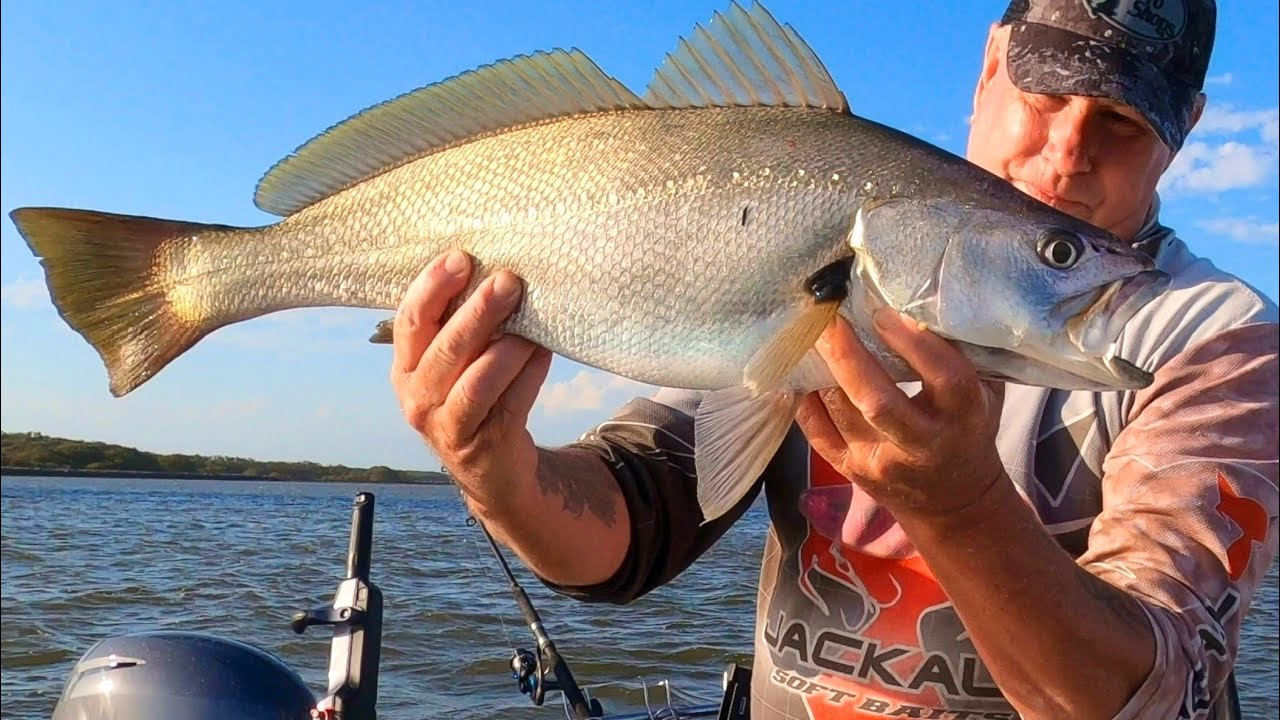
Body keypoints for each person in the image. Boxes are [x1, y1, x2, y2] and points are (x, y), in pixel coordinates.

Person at [389, 0, 1278, 718]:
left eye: (1121, 123)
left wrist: (960, 507)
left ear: (1186, 127)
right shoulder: (812, 255)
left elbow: (1156, 694)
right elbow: (636, 520)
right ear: (988, 69)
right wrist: (496, 470)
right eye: (1043, 98)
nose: (1065, 155)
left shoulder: (1212, 337)